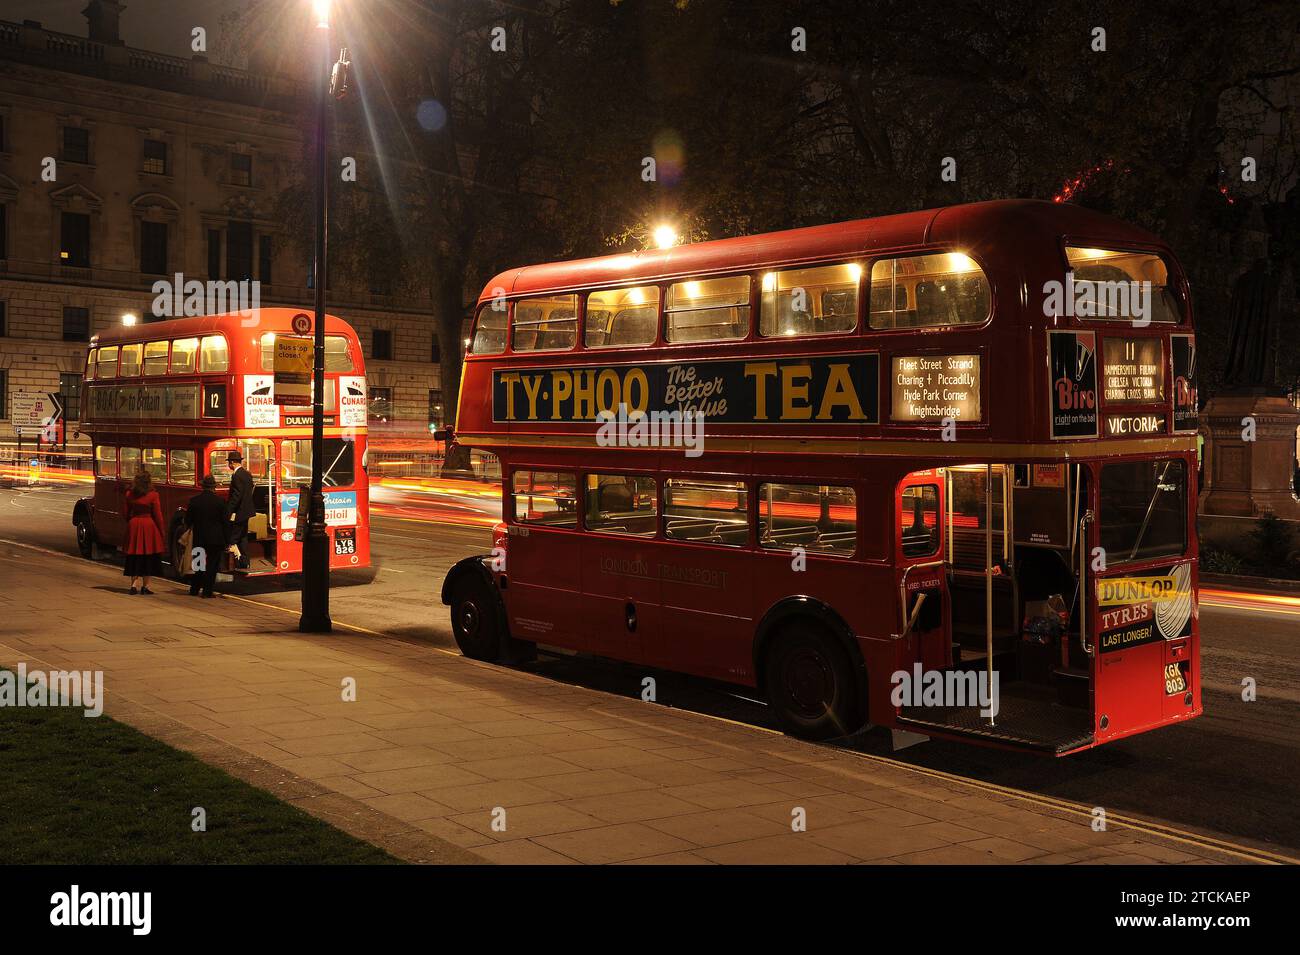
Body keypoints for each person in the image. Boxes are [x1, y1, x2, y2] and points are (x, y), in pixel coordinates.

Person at [123, 469, 165, 594]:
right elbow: (158, 515)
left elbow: (125, 512)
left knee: (134, 556)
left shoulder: (129, 494)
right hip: (149, 525)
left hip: (134, 524)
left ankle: (133, 585)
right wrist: (162, 531)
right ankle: (145, 587)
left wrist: (131, 521)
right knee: (148, 556)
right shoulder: (153, 495)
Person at [185, 474, 226, 598]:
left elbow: (188, 521)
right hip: (216, 539)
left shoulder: (194, 501)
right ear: (214, 487)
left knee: (198, 564)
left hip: (199, 538)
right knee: (212, 565)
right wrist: (228, 540)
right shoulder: (220, 502)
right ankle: (207, 591)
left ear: (203, 487)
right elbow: (225, 522)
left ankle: (194, 589)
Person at [225, 450, 256, 569]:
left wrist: (229, 511)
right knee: (243, 537)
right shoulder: (247, 474)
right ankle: (245, 562)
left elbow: (236, 496)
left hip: (239, 512)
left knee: (233, 537)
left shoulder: (237, 476)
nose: (229, 465)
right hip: (247, 511)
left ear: (232, 463)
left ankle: (233, 561)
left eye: (229, 462)